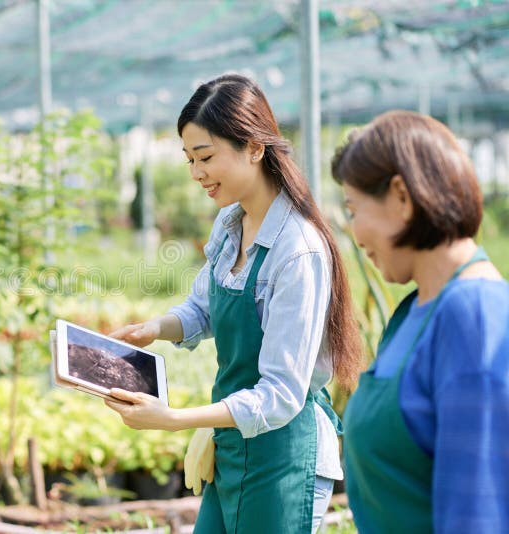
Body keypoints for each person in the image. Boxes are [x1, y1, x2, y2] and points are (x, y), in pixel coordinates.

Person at [104, 74, 363, 533]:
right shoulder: (230, 223)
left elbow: (281, 395)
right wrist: (153, 330)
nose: (197, 173)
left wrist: (173, 420)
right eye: (189, 160)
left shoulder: (298, 250)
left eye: (205, 157)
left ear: (255, 148)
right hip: (234, 445)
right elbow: (202, 308)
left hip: (283, 458)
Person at [332, 110, 509, 533]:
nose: (354, 234)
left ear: (401, 197)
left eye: (354, 209)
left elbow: (478, 515)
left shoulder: (475, 316)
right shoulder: (413, 312)